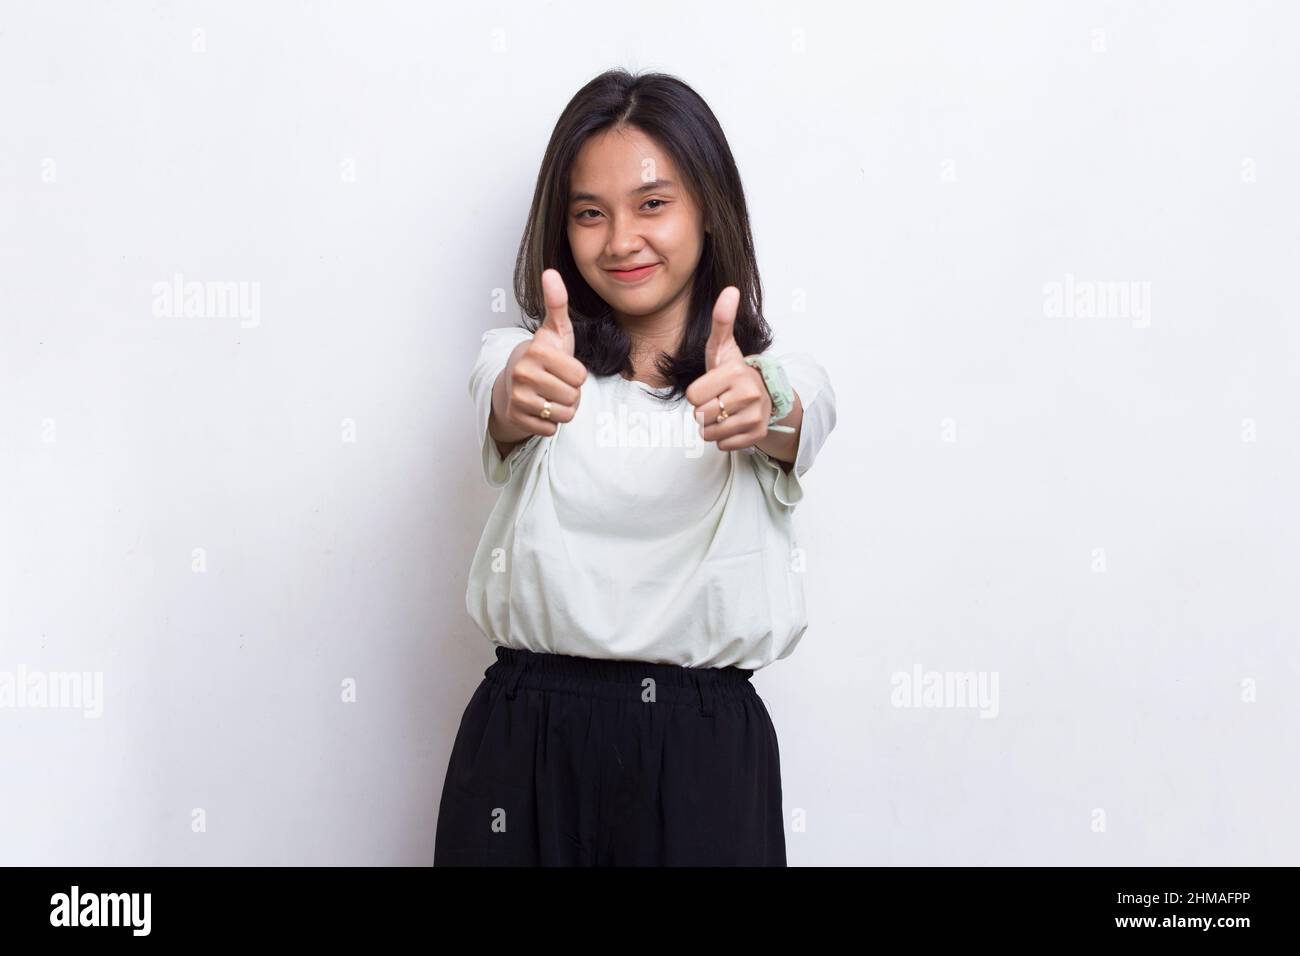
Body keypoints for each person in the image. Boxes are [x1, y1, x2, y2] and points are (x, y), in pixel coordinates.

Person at [434, 68, 837, 866]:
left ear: (709, 209)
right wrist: (521, 390)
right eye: (590, 213)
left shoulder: (771, 376)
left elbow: (801, 410)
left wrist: (763, 399)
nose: (620, 241)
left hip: (702, 751)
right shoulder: (526, 363)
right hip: (528, 739)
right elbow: (504, 397)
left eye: (653, 203)